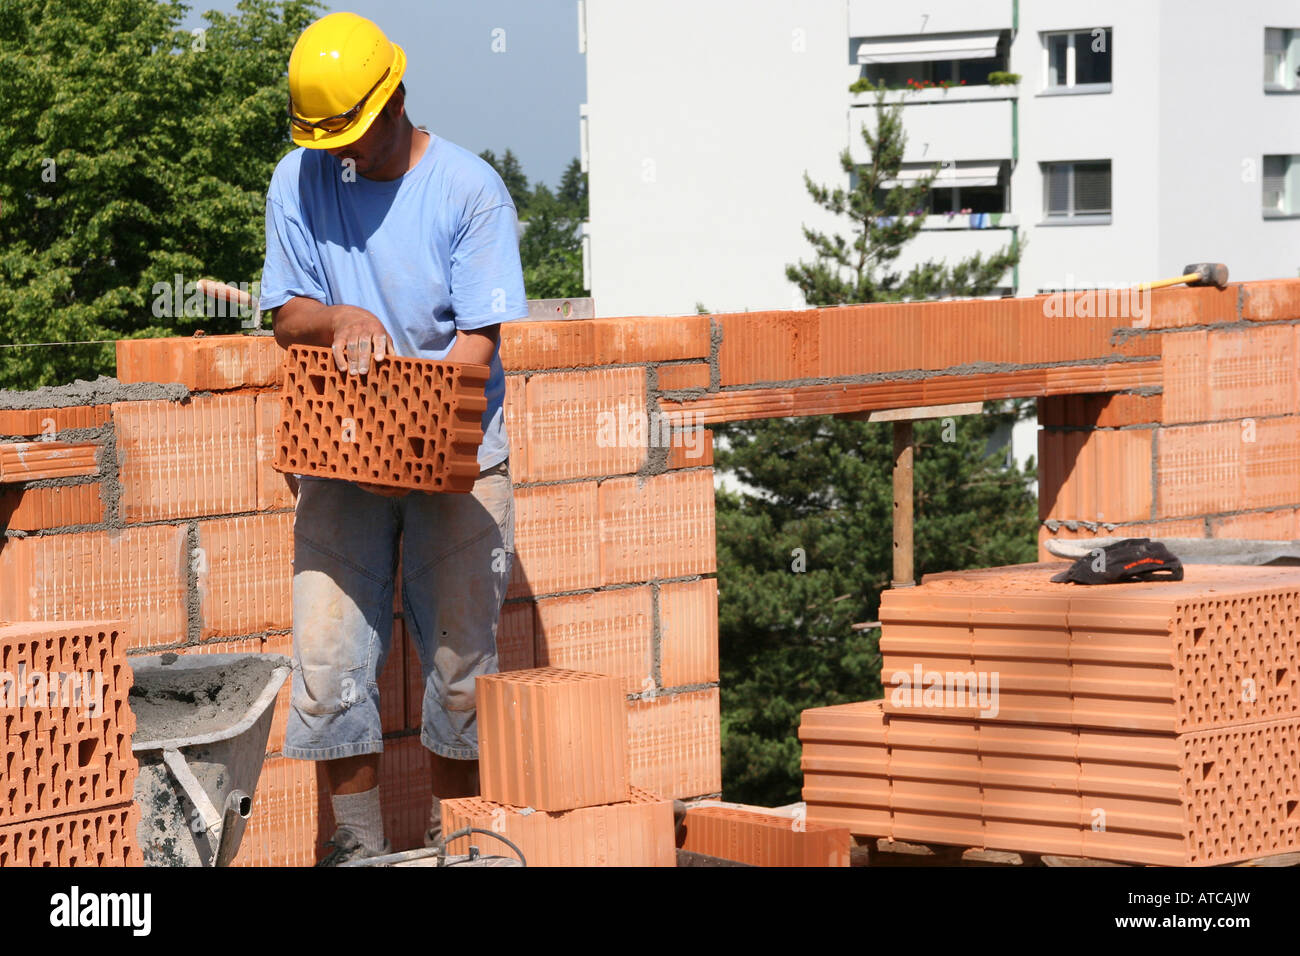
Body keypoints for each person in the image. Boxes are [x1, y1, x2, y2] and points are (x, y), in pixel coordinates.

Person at [259, 11, 526, 865]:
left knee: (460, 669)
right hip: (342, 458)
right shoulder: (298, 179)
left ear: (398, 99)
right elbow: (287, 315)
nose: (343, 153)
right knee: (330, 659)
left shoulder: (469, 190)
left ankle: (461, 848)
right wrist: (341, 316)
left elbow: (480, 344)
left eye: (357, 134)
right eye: (326, 136)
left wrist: (410, 443)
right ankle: (359, 853)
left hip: (454, 454)